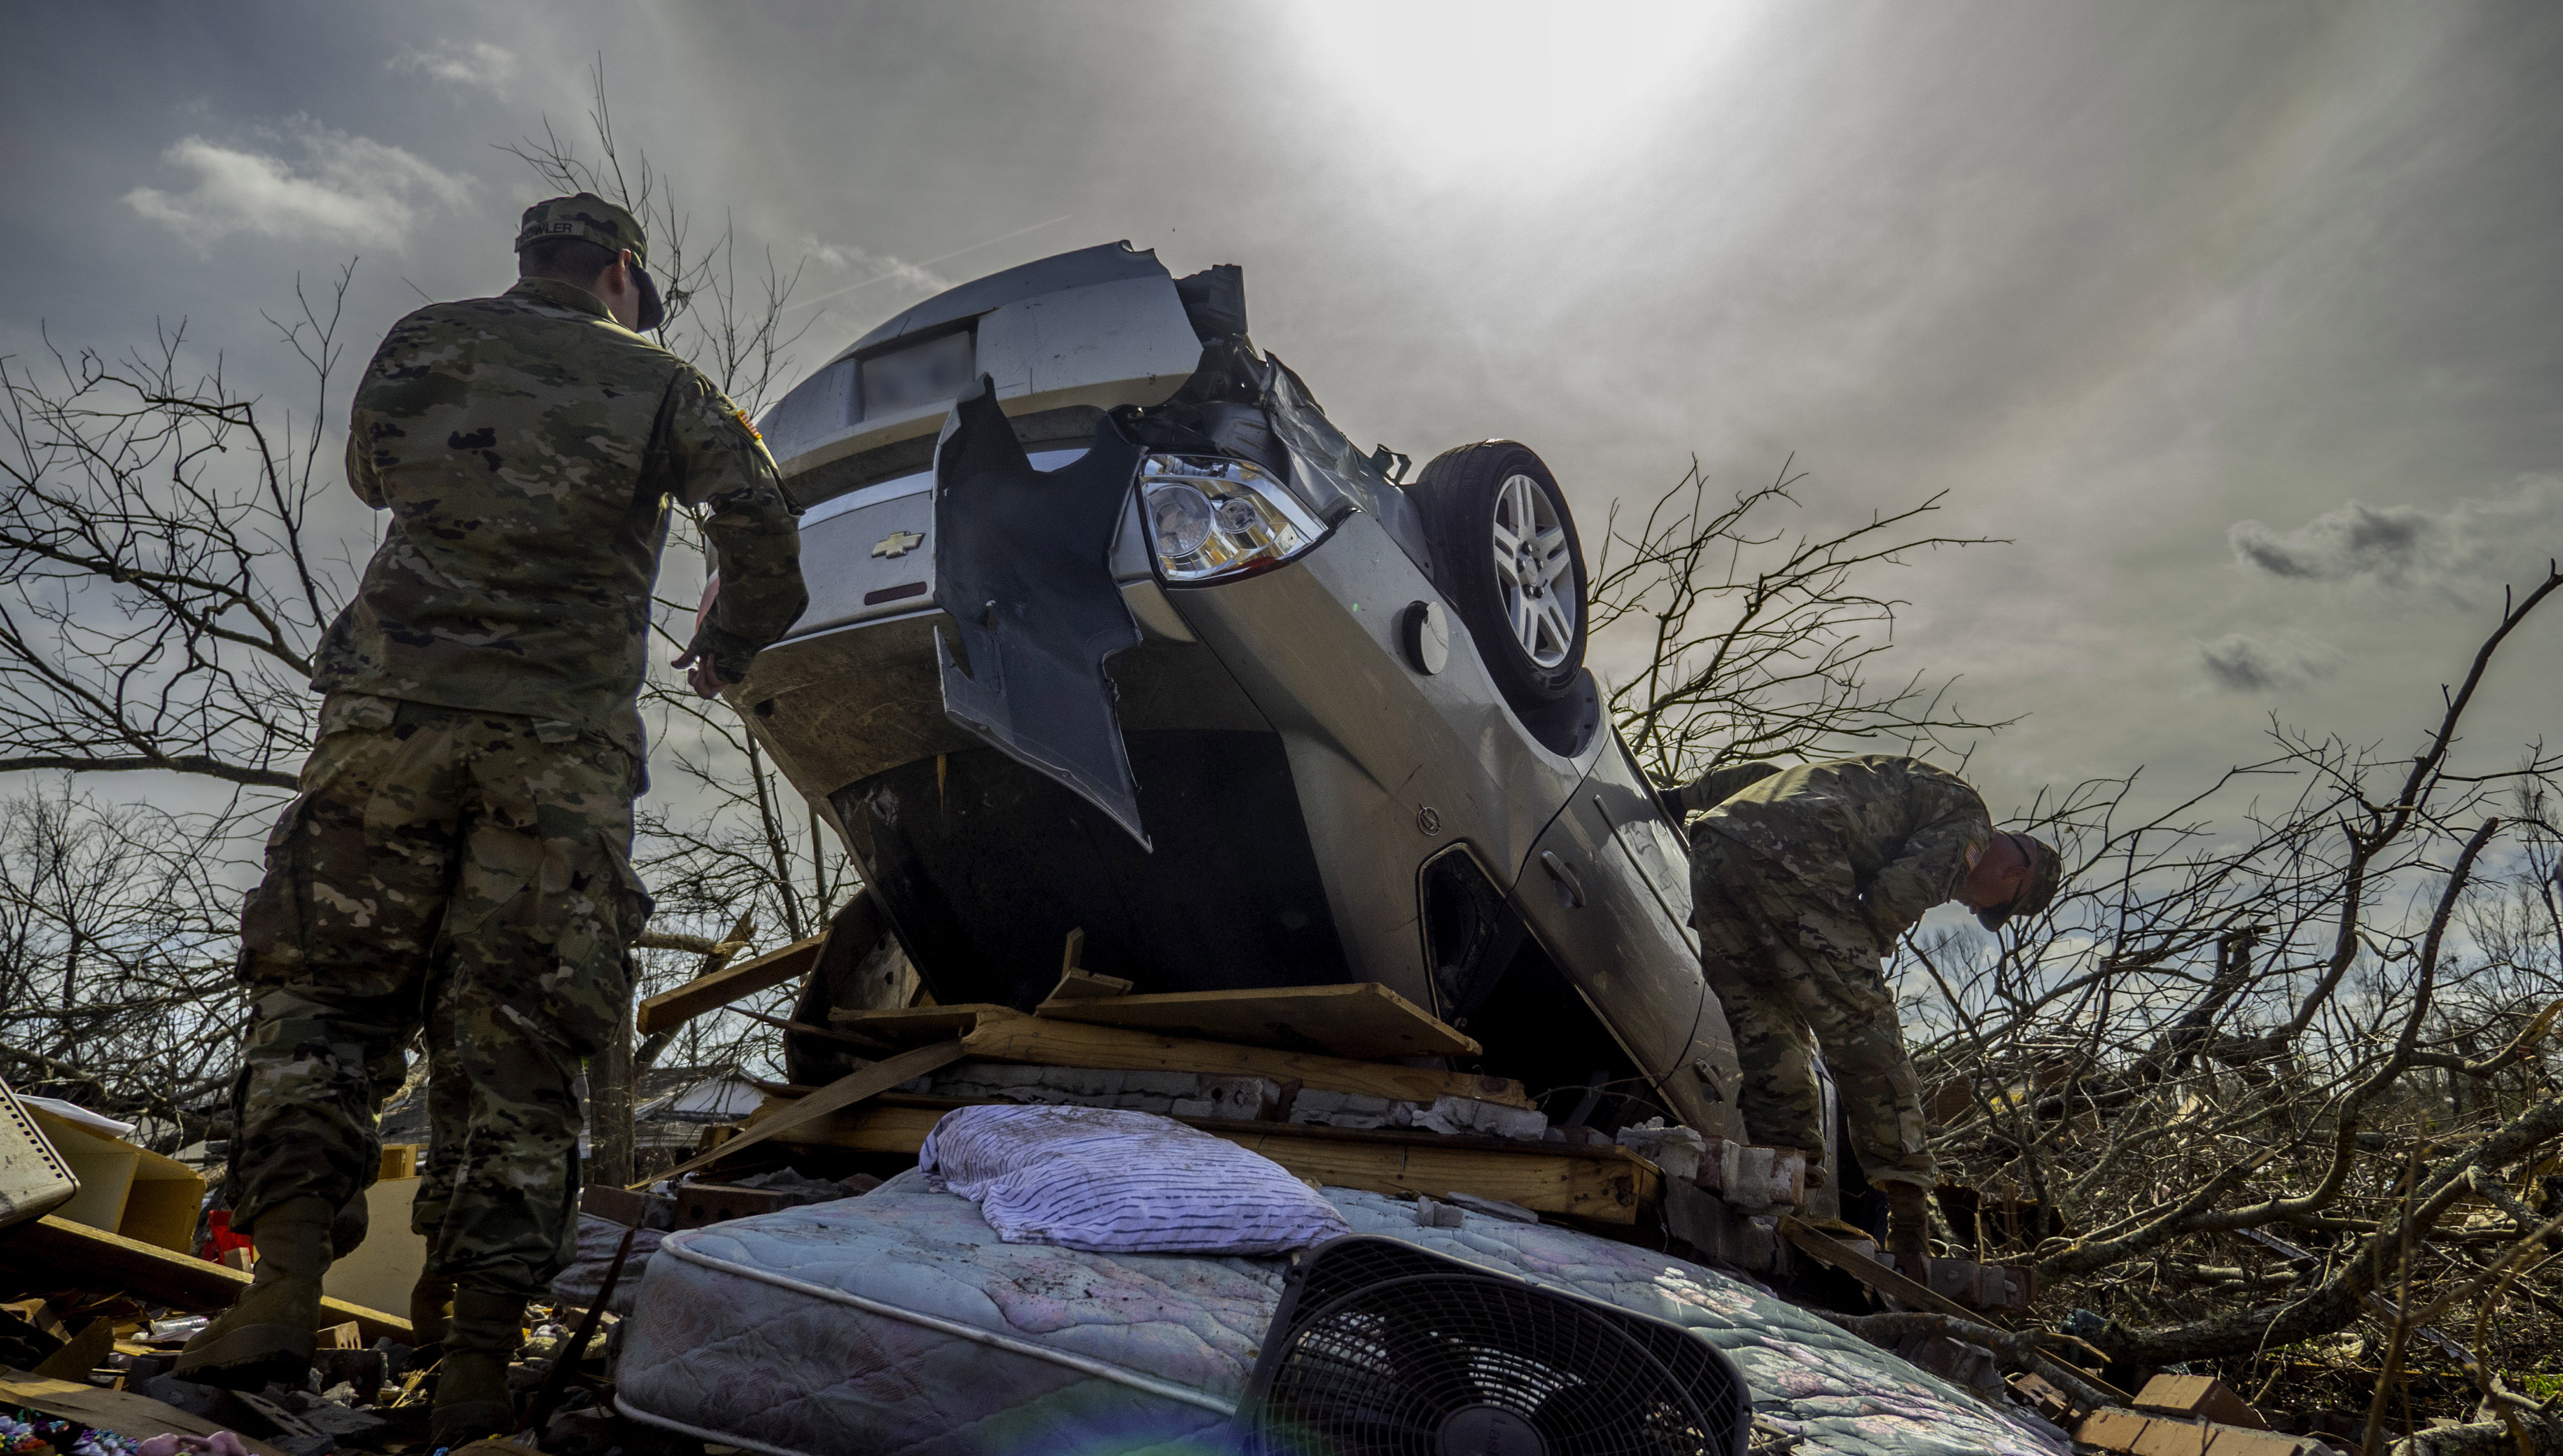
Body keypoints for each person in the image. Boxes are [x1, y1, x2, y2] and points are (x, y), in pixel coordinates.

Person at [179, 193, 807, 1445]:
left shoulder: (424, 340)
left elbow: (371, 474)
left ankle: (280, 1290)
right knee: (516, 1046)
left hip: (387, 727)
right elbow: (762, 520)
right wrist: (730, 633)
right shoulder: (665, 381)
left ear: (527, 263)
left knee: (320, 996)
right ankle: (470, 1363)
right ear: (621, 272)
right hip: (556, 758)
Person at [1664, 754, 2061, 1274]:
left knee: (1770, 1037)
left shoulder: (1877, 778)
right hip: (1796, 858)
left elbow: (1763, 777)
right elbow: (1896, 896)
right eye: (1995, 907)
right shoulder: (1971, 824)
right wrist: (1859, 956)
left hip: (1718, 848)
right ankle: (1912, 1229)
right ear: (2016, 874)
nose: (1971, 909)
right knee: (1870, 1048)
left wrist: (1679, 799)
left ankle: (1784, 1196)